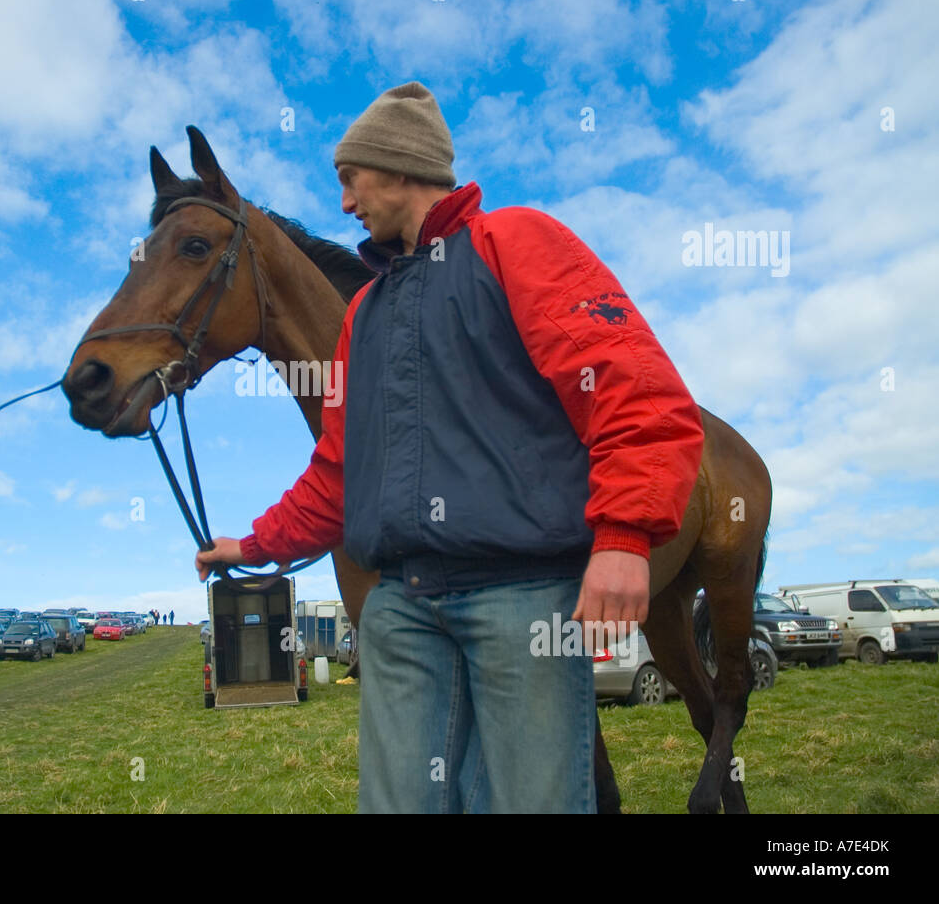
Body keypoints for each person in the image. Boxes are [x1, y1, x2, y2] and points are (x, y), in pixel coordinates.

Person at [195, 81, 704, 813]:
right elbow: (338, 471)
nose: (344, 204)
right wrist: (250, 546)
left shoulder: (518, 242)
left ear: (400, 167)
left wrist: (624, 535)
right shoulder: (363, 315)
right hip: (399, 610)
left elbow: (635, 389)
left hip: (521, 598)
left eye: (351, 179)